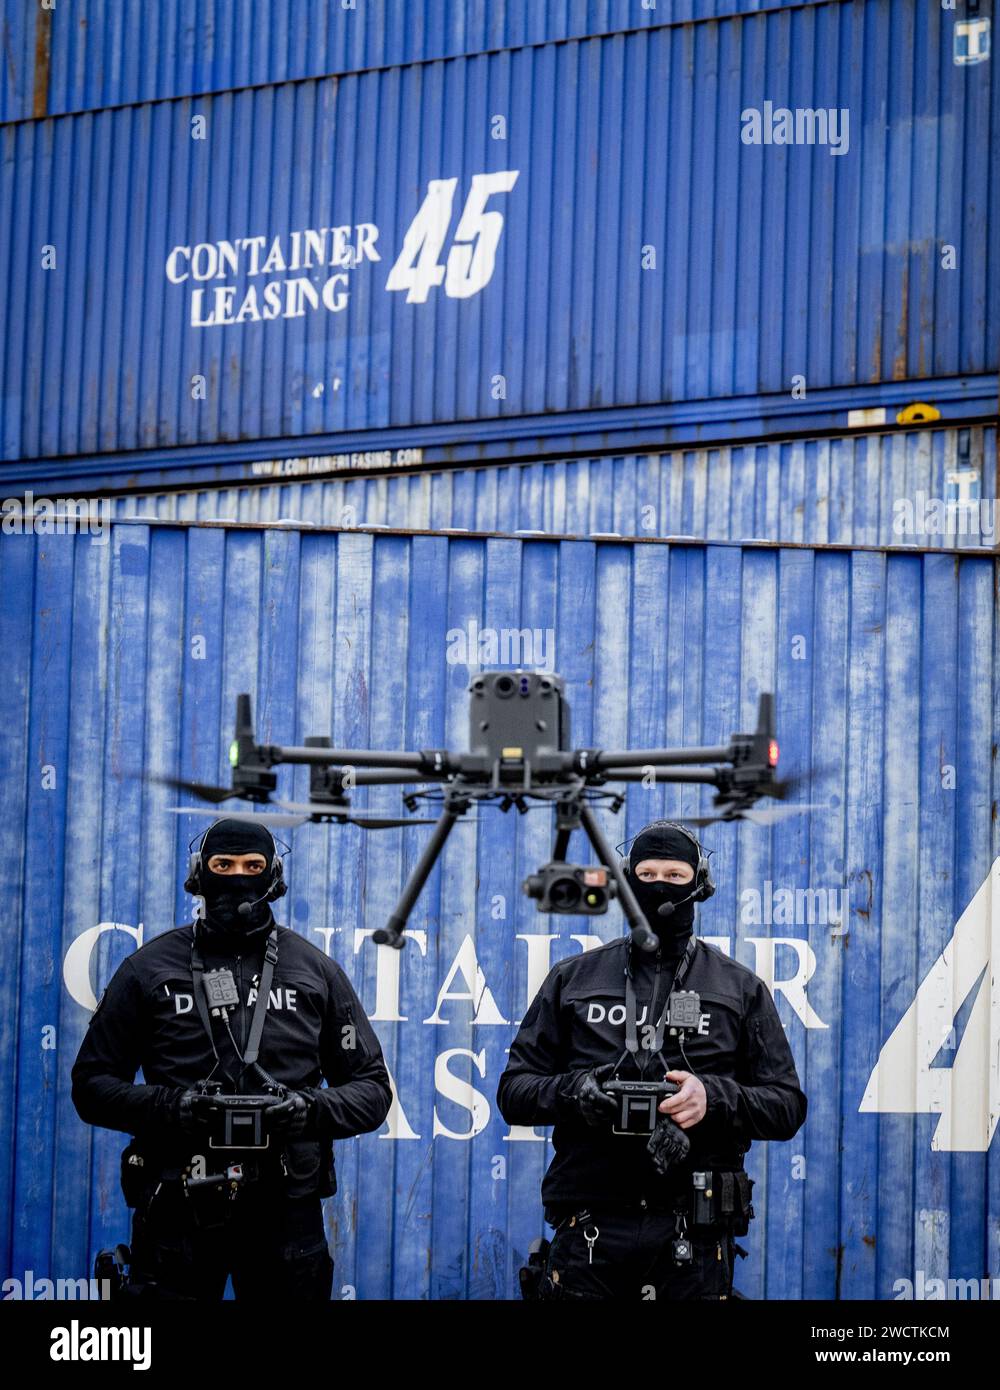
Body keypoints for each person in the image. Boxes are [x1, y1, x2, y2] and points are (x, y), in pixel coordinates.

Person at [72, 817, 392, 1300]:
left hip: (285, 1213)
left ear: (273, 877)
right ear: (202, 875)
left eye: (253, 865)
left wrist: (308, 1110)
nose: (239, 876)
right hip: (176, 1206)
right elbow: (91, 1085)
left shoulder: (316, 971)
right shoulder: (148, 968)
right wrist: (170, 1107)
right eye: (224, 864)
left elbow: (372, 1091)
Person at [497, 819, 807, 1300]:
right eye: (646, 874)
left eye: (676, 876)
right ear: (625, 884)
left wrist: (712, 1098)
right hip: (590, 1237)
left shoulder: (739, 989)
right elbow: (514, 1091)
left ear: (699, 885)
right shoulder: (572, 979)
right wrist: (574, 1093)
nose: (660, 885)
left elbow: (786, 1105)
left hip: (694, 1243)